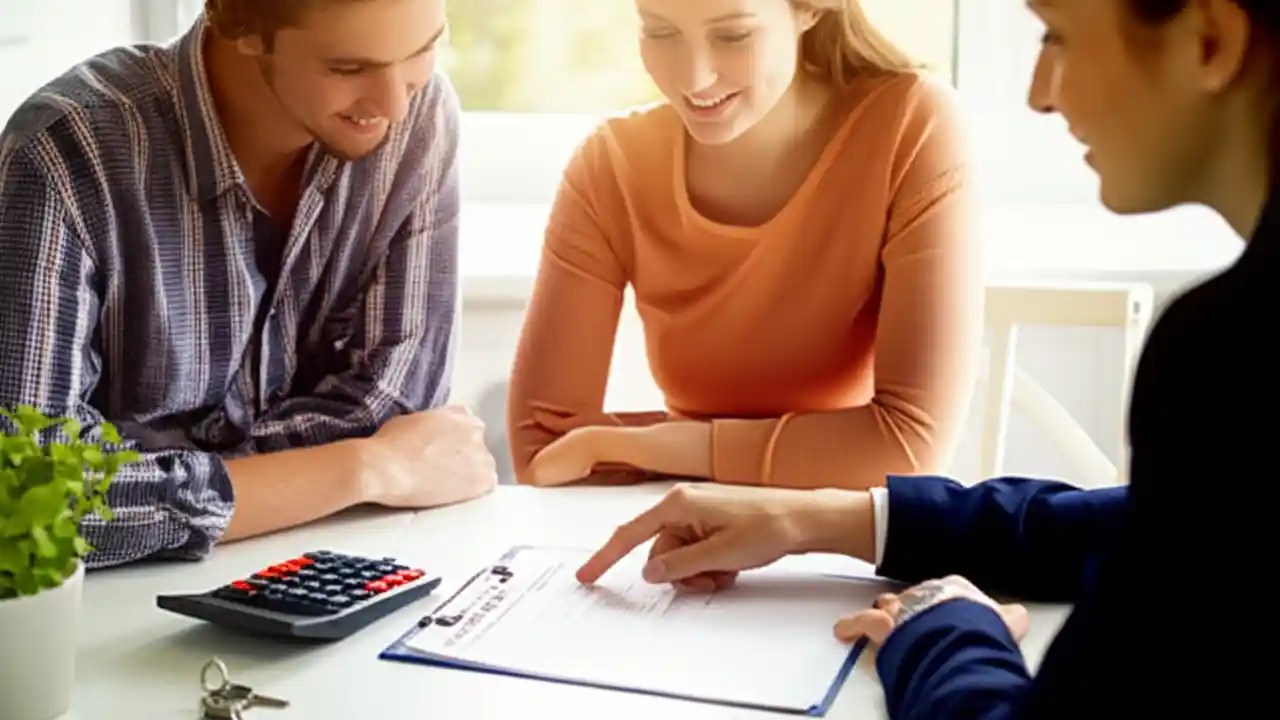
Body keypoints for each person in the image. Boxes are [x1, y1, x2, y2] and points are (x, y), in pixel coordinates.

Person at [576, 0, 1277, 716]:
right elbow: (1139, 523)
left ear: (1211, 42)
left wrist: (944, 630)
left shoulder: (1228, 353)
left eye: (1057, 36)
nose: (1038, 91)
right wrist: (827, 521)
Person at [0, 0, 497, 570]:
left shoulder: (421, 116)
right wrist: (364, 468)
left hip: (323, 566)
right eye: (347, 68)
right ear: (240, 24)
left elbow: (398, 407)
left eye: (424, 49)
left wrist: (139, 480)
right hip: (107, 610)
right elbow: (24, 498)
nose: (393, 104)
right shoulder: (66, 152)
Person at [506, 0, 985, 490]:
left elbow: (907, 452)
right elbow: (544, 451)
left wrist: (628, 445)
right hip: (686, 528)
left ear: (810, 10)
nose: (694, 78)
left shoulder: (911, 123)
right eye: (661, 32)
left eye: (733, 36)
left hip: (844, 543)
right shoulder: (612, 165)